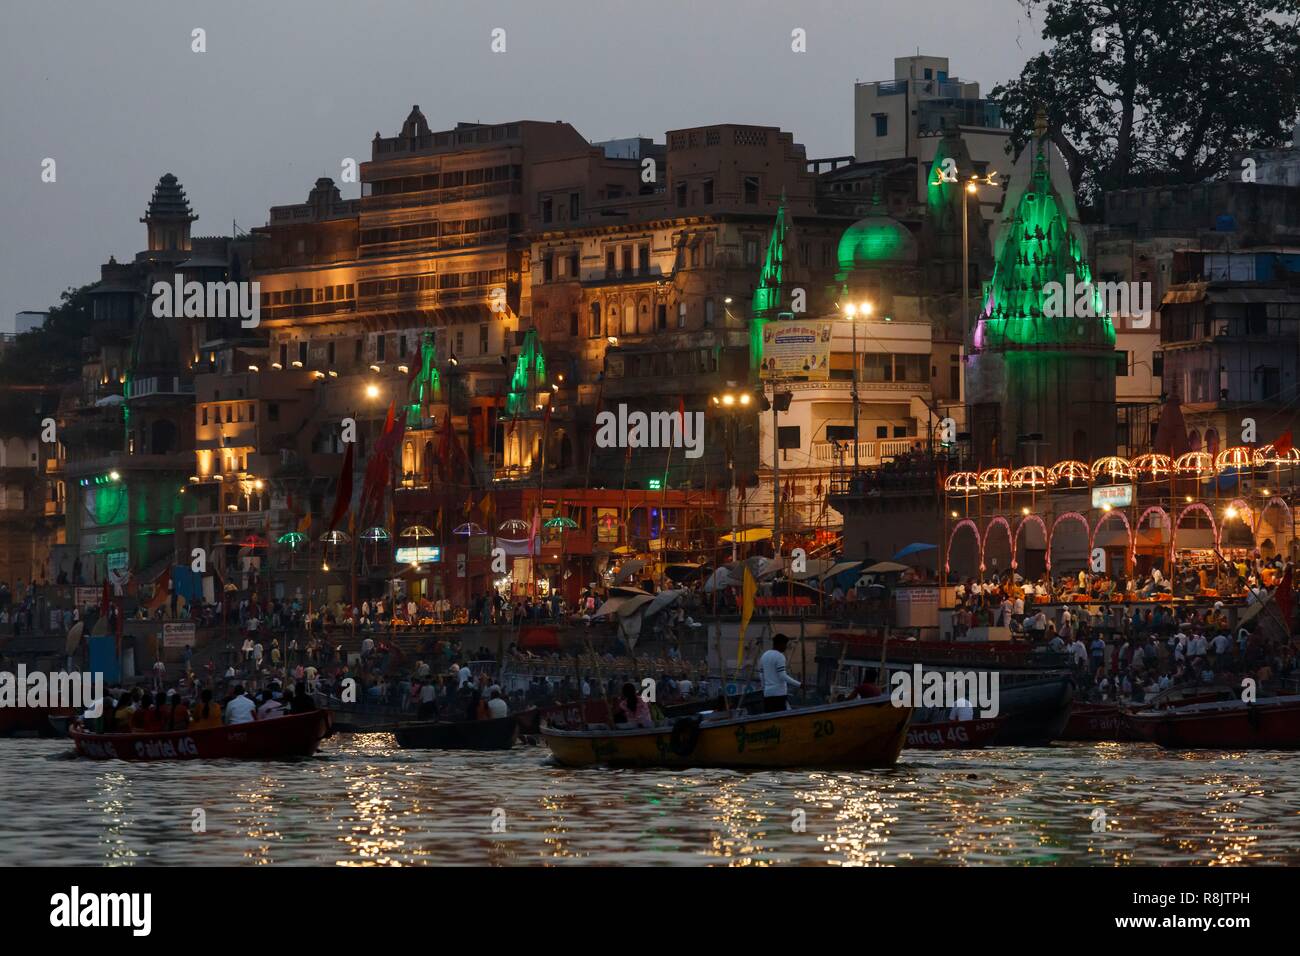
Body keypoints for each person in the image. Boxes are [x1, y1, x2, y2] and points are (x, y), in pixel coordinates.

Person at [759, 633, 800, 713]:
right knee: (780, 718)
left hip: (767, 694)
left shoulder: (764, 655)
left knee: (769, 718)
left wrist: (765, 688)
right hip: (779, 694)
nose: (785, 647)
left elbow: (761, 675)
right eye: (785, 645)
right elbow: (782, 676)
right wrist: (799, 684)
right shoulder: (780, 656)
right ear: (780, 644)